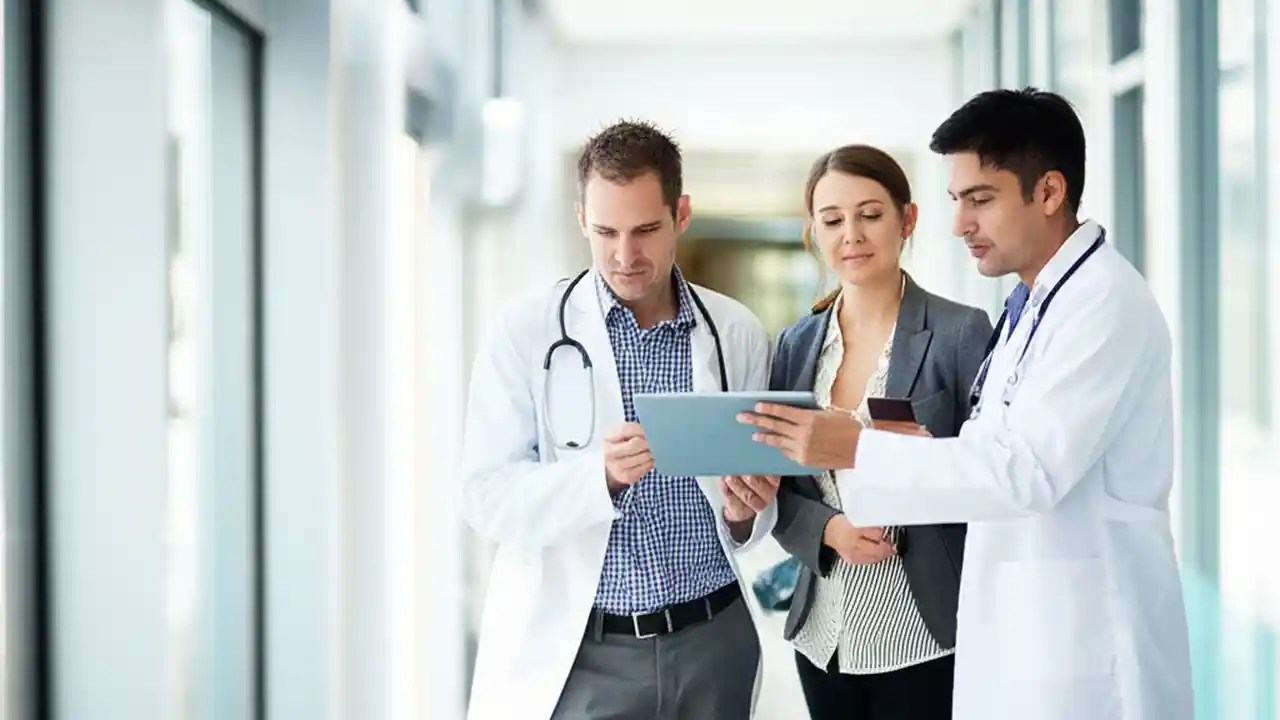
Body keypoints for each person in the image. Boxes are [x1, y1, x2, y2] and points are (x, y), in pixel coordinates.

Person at [740, 88, 1195, 719]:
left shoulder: (1103, 307)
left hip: (1083, 649)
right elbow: (986, 453)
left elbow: (1023, 472)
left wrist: (856, 445)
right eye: (958, 201)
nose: (961, 225)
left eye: (980, 199)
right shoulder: (1032, 307)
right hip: (1003, 634)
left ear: (1050, 192)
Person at [460, 119, 778, 720]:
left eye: (646, 230)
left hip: (714, 639)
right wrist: (597, 477)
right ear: (581, 217)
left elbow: (752, 516)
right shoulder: (526, 331)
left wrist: (744, 513)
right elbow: (484, 496)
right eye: (605, 231)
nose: (624, 255)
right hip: (583, 654)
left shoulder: (733, 331)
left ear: (681, 213)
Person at [769, 144, 992, 720]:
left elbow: (989, 476)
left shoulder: (959, 332)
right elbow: (781, 489)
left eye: (870, 214)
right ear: (814, 232)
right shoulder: (797, 345)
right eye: (833, 220)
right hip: (824, 635)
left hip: (925, 632)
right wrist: (830, 531)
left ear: (907, 220)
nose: (852, 235)